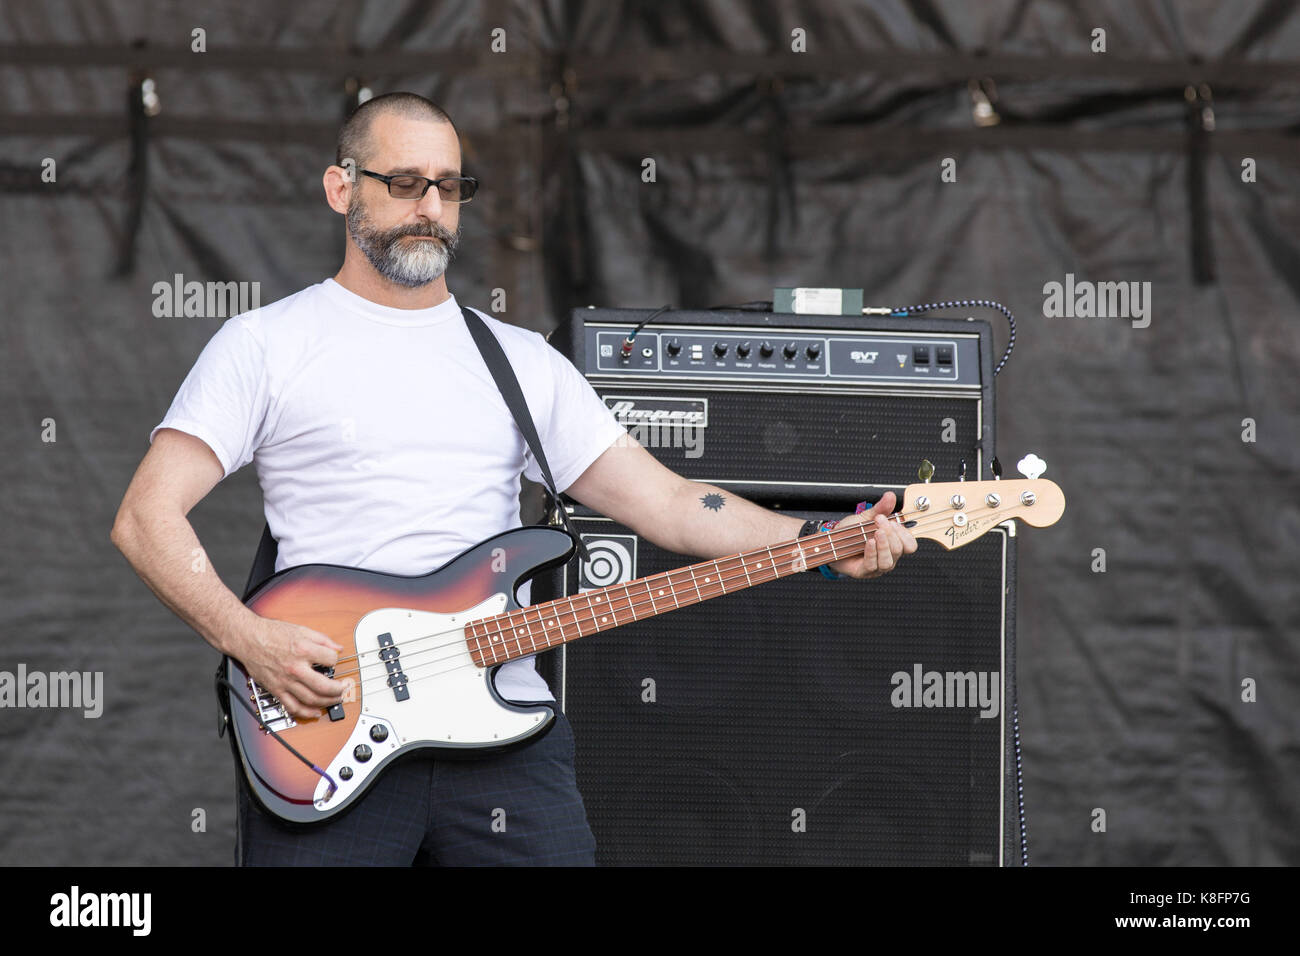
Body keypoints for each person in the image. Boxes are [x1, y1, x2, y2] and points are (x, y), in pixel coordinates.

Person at [110, 92, 917, 866]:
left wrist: (815, 538)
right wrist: (249, 640)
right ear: (340, 188)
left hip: (503, 735)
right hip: (327, 725)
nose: (430, 204)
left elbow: (668, 502)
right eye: (404, 183)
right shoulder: (266, 344)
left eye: (449, 186)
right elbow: (147, 517)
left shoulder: (520, 360)